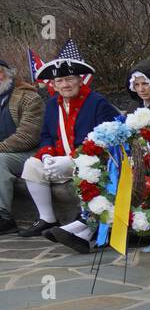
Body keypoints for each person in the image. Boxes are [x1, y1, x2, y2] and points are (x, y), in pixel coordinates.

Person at [47, 62, 150, 254]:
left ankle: (83, 228)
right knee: (103, 176)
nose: (141, 89)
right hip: (132, 159)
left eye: (145, 84)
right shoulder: (134, 107)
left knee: (114, 179)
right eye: (137, 85)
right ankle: (84, 231)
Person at [17, 39, 117, 239]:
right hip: (59, 160)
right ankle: (47, 218)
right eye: (59, 81)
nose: (65, 84)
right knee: (32, 166)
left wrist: (72, 159)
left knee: (87, 169)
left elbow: (106, 139)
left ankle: (86, 223)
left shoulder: (97, 102)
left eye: (69, 79)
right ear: (53, 85)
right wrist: (46, 156)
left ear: (80, 80)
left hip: (91, 161)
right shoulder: (53, 104)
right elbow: (45, 136)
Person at [0, 60, 45, 235]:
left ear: (9, 74)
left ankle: (3, 217)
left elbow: (27, 137)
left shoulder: (28, 98)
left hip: (30, 153)